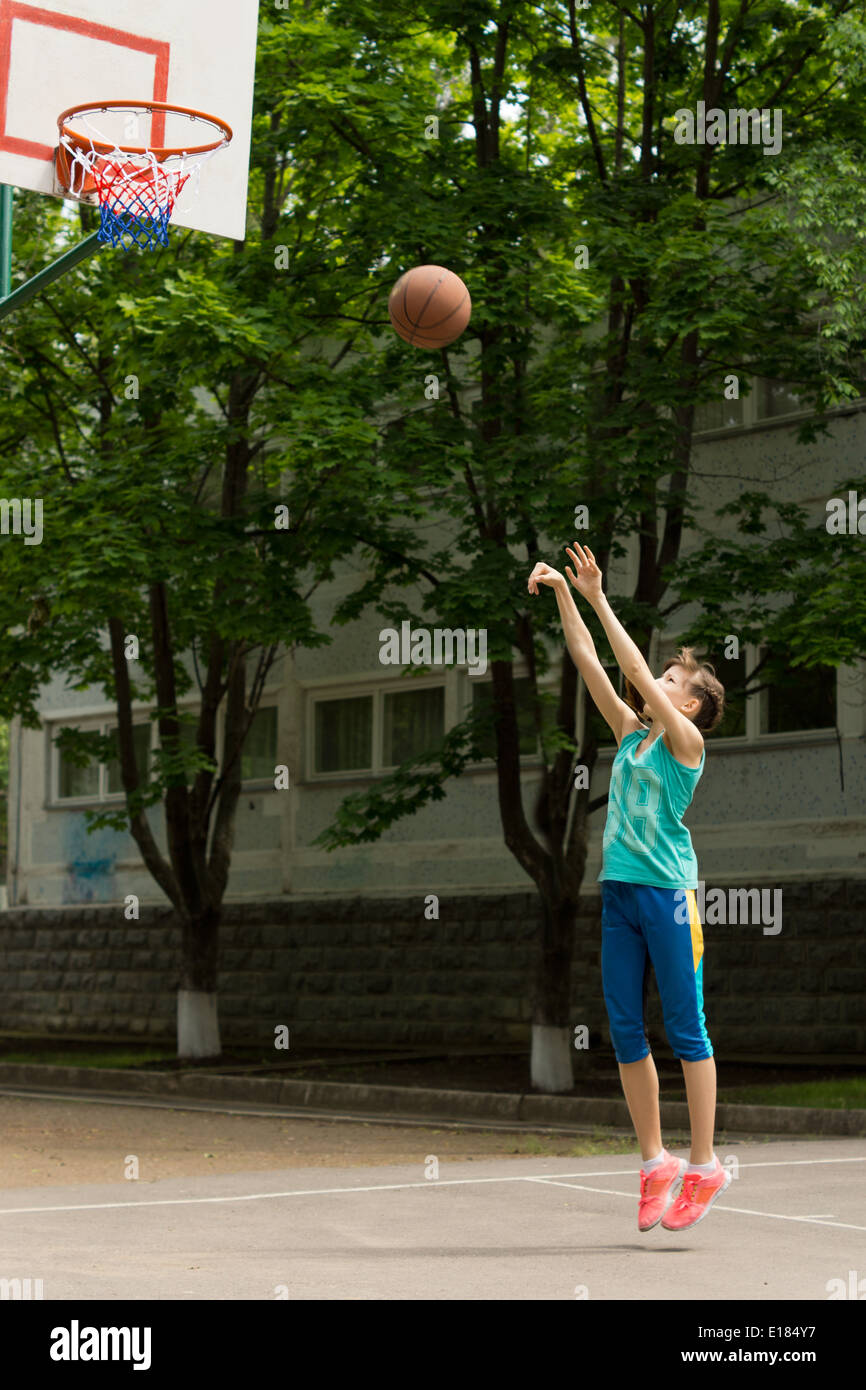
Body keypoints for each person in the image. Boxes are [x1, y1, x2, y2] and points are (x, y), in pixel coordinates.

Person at [528, 541, 730, 1231]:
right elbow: (591, 660)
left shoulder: (685, 747)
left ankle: (704, 1164)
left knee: (686, 1028)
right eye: (667, 677)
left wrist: (598, 594)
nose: (662, 683)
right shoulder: (632, 733)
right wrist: (561, 590)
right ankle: (655, 1162)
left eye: (676, 681)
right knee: (623, 1030)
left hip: (669, 898)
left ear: (695, 705)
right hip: (619, 893)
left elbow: (635, 669)